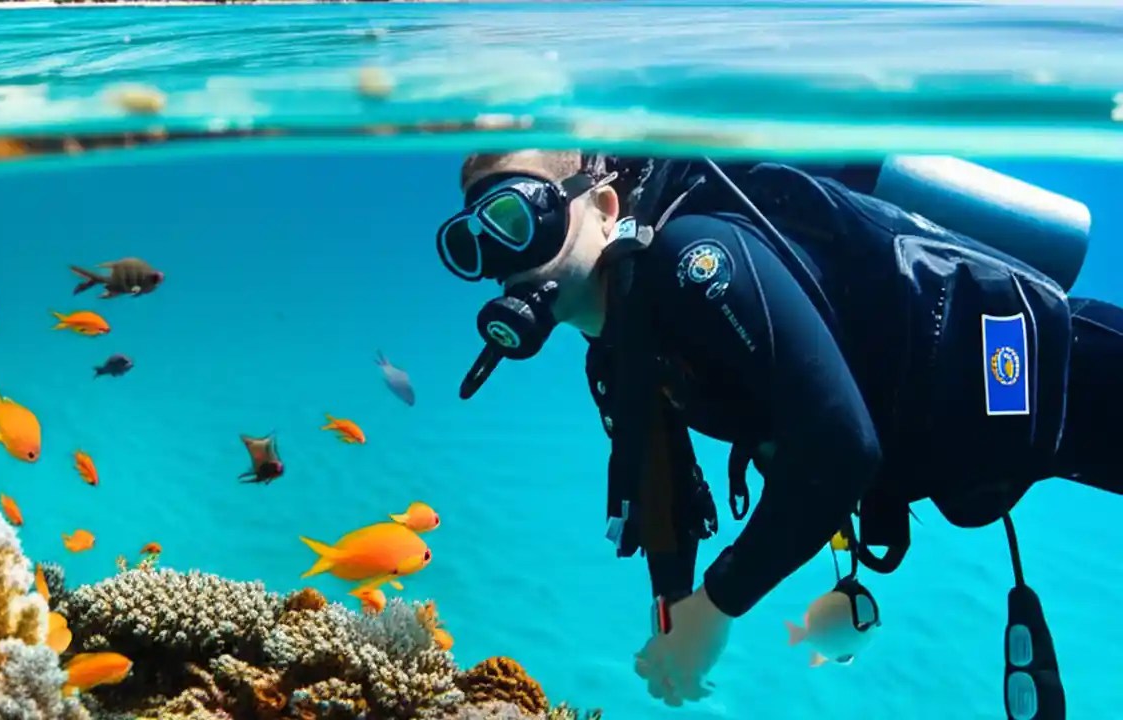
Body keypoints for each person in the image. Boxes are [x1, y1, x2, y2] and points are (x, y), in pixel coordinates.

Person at [433, 149, 1116, 716]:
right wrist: (672, 602)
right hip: (992, 434)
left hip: (1065, 367)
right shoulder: (619, 348)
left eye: (518, 218)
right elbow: (657, 472)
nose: (504, 262)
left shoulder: (692, 258)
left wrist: (716, 606)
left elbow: (840, 445)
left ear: (604, 207)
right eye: (476, 244)